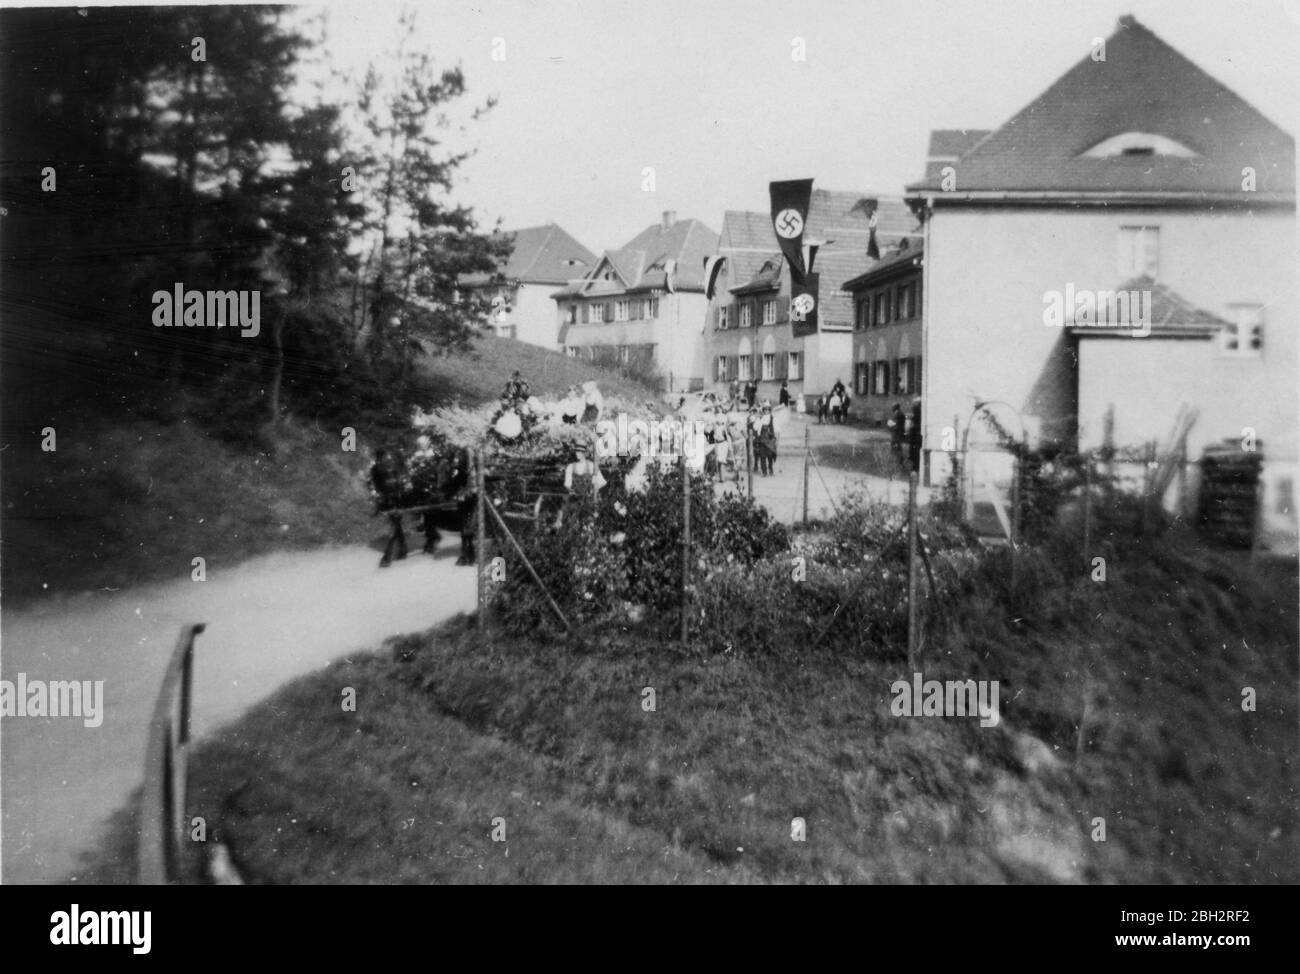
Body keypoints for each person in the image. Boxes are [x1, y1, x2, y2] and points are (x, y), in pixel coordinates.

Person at [370, 447, 408, 567]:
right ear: (379, 458)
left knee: (395, 525)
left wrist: (400, 492)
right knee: (396, 524)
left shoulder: (390, 468)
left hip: (395, 500)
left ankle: (387, 555)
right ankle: (402, 548)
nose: (387, 459)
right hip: (387, 500)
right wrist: (379, 496)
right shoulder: (376, 469)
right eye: (384, 457)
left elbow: (398, 482)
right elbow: (375, 485)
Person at [756, 403, 777, 476]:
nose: (766, 411)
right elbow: (757, 428)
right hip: (762, 439)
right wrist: (757, 418)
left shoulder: (772, 418)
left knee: (770, 455)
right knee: (762, 455)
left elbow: (775, 429)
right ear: (763, 410)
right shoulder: (761, 418)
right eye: (765, 409)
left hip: (769, 439)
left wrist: (774, 438)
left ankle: (770, 469)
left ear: (770, 410)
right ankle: (764, 471)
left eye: (768, 409)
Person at [887, 403, 906, 469]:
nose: (891, 408)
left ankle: (897, 463)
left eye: (893, 407)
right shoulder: (900, 414)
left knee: (895, 448)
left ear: (895, 408)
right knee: (897, 448)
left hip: (896, 434)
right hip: (898, 434)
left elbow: (896, 425)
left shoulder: (898, 415)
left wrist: (890, 426)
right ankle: (899, 463)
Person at [908, 397, 923, 474]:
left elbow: (913, 423)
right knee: (915, 451)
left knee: (914, 451)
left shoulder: (916, 410)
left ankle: (915, 467)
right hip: (917, 434)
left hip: (915, 434)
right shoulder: (920, 410)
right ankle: (915, 466)